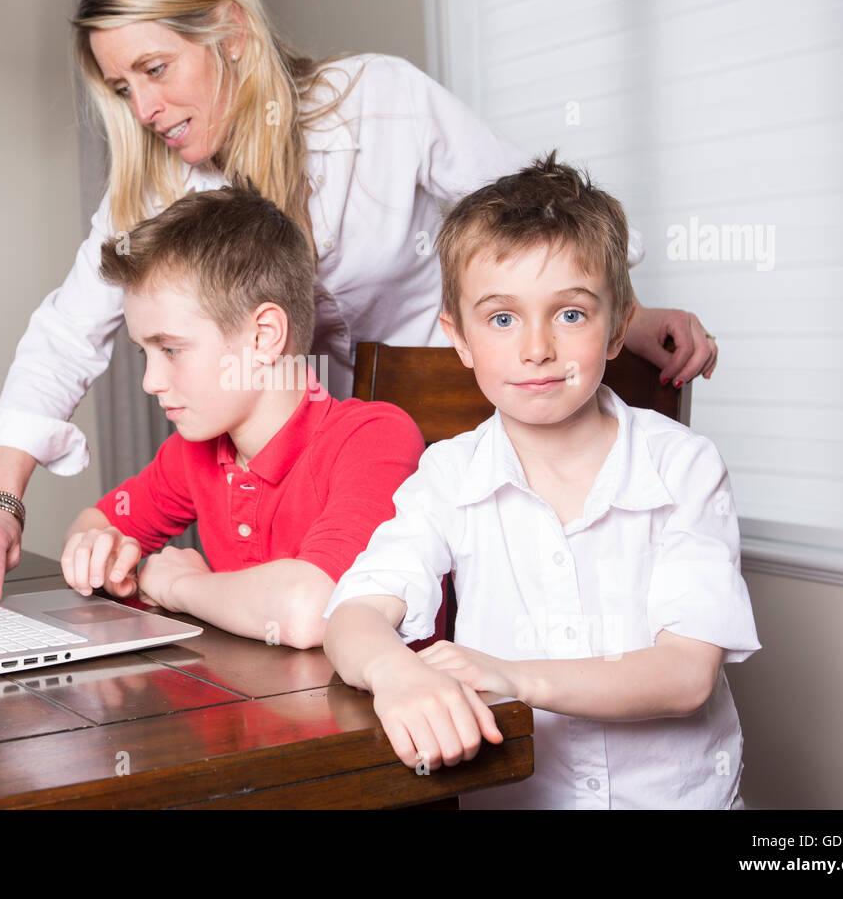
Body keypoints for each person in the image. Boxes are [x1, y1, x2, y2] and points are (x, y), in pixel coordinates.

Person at [0, 0, 719, 602]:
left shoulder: (379, 99)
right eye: (123, 89)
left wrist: (628, 315)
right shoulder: (156, 191)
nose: (144, 110)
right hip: (331, 455)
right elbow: (65, 332)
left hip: (466, 410)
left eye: (155, 70)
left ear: (230, 31)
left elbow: (532, 219)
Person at [321, 152, 761, 808]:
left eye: (571, 314)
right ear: (460, 338)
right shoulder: (448, 474)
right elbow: (354, 611)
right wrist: (394, 674)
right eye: (502, 318)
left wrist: (509, 676)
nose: (536, 349)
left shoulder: (684, 465)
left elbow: (684, 675)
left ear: (616, 327)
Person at [58, 181, 424, 647]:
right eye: (144, 353)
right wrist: (96, 547)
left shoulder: (373, 438)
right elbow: (97, 520)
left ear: (263, 336)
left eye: (171, 349)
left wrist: (178, 585)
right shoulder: (195, 452)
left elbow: (312, 611)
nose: (150, 382)